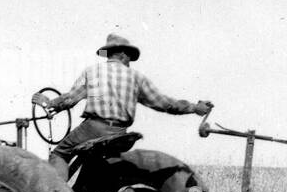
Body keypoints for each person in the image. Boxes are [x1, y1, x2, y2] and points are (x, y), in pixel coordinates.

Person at [32, 33, 212, 178]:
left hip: (93, 128)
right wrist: (195, 108)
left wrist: (50, 104)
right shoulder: (136, 78)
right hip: (119, 133)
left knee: (60, 154)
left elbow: (70, 99)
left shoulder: (92, 72)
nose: (130, 61)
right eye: (129, 57)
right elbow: (165, 104)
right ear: (122, 54)